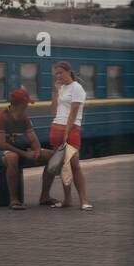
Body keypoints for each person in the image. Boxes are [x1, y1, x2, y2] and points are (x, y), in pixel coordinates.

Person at [0, 88, 51, 210]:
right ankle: (14, 200)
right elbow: (1, 144)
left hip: (20, 150)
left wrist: (37, 151)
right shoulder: (0, 118)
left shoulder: (24, 118)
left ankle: (45, 196)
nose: (27, 107)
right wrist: (25, 154)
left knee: (51, 155)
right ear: (20, 104)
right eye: (26, 104)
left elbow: (33, 139)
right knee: (12, 157)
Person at [43, 60, 92, 210]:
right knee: (64, 166)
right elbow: (52, 111)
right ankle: (67, 199)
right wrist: (55, 92)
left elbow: (74, 113)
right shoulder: (62, 88)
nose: (58, 76)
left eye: (60, 73)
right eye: (56, 74)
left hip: (71, 129)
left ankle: (84, 200)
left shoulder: (77, 88)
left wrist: (66, 133)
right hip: (56, 128)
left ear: (68, 72)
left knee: (75, 164)